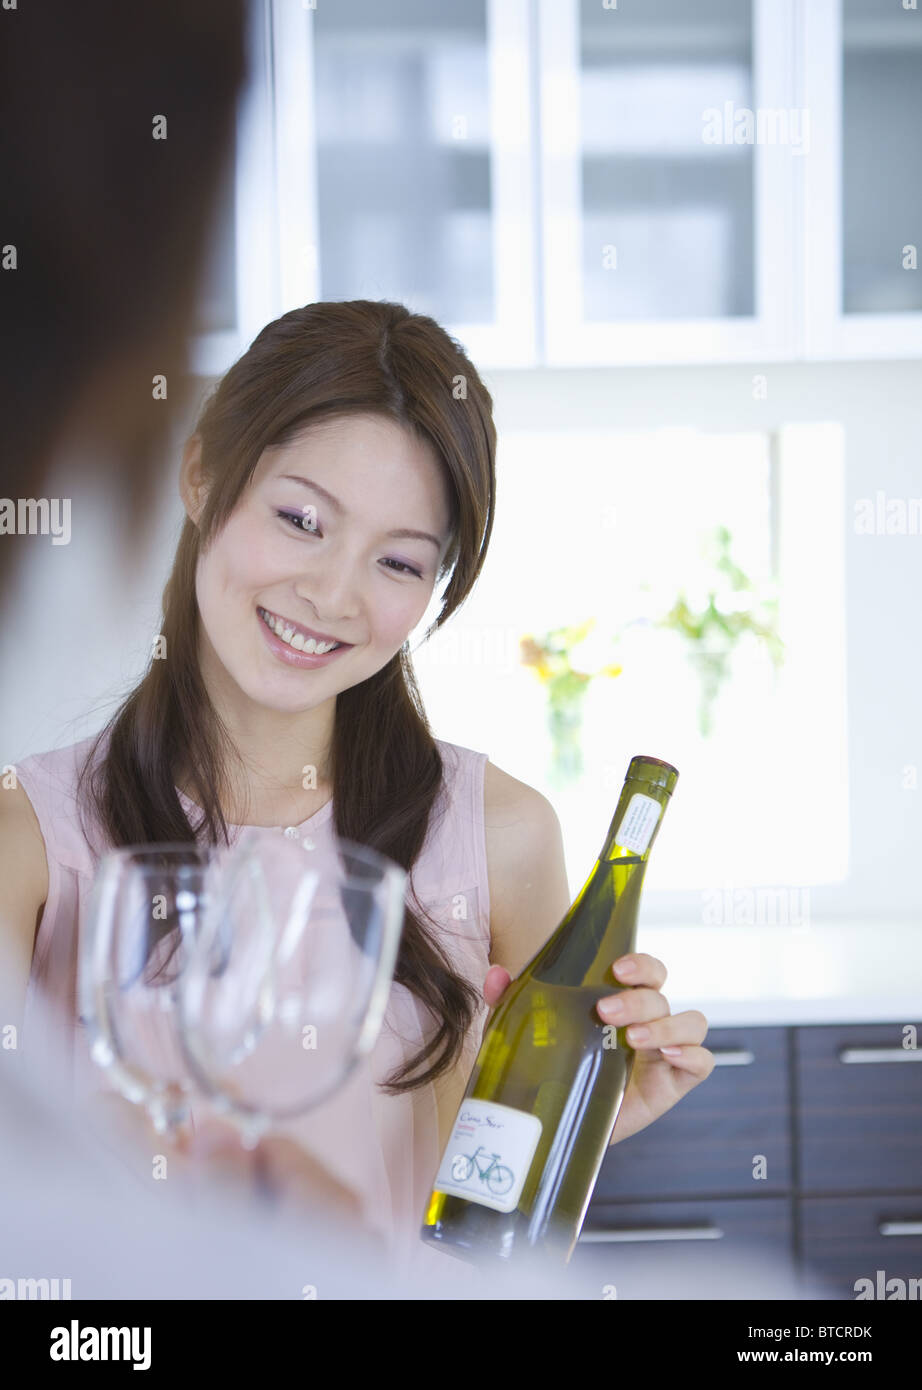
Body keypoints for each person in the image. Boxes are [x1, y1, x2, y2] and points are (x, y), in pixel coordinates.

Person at [0, 2, 716, 1298]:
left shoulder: (500, 832)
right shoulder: (35, 836)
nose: (331, 593)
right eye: (299, 518)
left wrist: (593, 1115)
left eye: (399, 559)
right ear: (205, 473)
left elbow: (481, 1215)